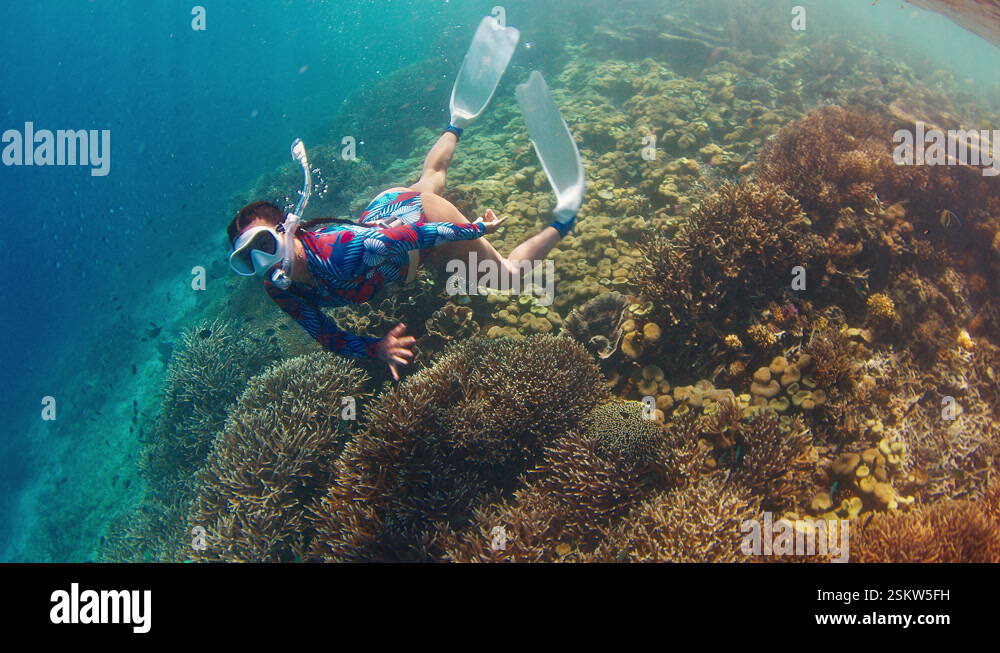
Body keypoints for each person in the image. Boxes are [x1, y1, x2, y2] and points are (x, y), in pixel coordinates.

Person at [227, 125, 574, 380]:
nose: (263, 263)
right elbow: (324, 333)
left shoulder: (340, 253)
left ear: (285, 232)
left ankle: (563, 221)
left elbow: (413, 236)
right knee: (432, 175)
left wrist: (476, 229)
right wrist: (375, 348)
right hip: (385, 208)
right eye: (247, 259)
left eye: (264, 245)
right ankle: (456, 122)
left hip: (418, 217)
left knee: (505, 276)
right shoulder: (278, 286)